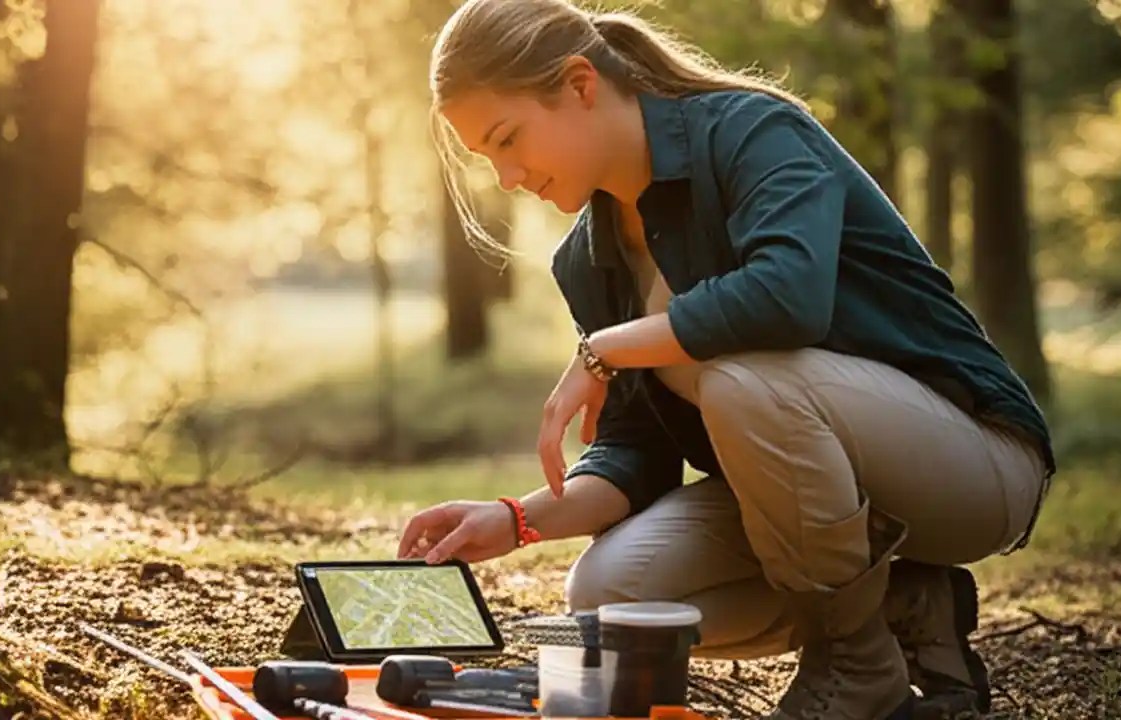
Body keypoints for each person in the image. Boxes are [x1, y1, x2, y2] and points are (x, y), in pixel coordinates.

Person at [397, 1, 1055, 718]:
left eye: (508, 139)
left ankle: (857, 667)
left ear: (580, 84)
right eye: (488, 158)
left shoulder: (751, 131)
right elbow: (635, 451)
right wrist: (517, 520)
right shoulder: (587, 262)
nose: (507, 177)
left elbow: (788, 296)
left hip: (973, 465)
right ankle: (903, 601)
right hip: (813, 496)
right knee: (610, 595)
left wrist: (605, 350)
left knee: (745, 382)